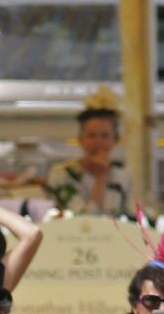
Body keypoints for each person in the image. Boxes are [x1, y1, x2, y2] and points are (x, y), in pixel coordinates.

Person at [44, 87, 134, 218]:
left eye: (105, 136)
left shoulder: (123, 174)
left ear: (115, 140)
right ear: (80, 139)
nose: (98, 142)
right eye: (92, 135)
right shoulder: (62, 174)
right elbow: (85, 221)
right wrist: (100, 177)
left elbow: (126, 216)